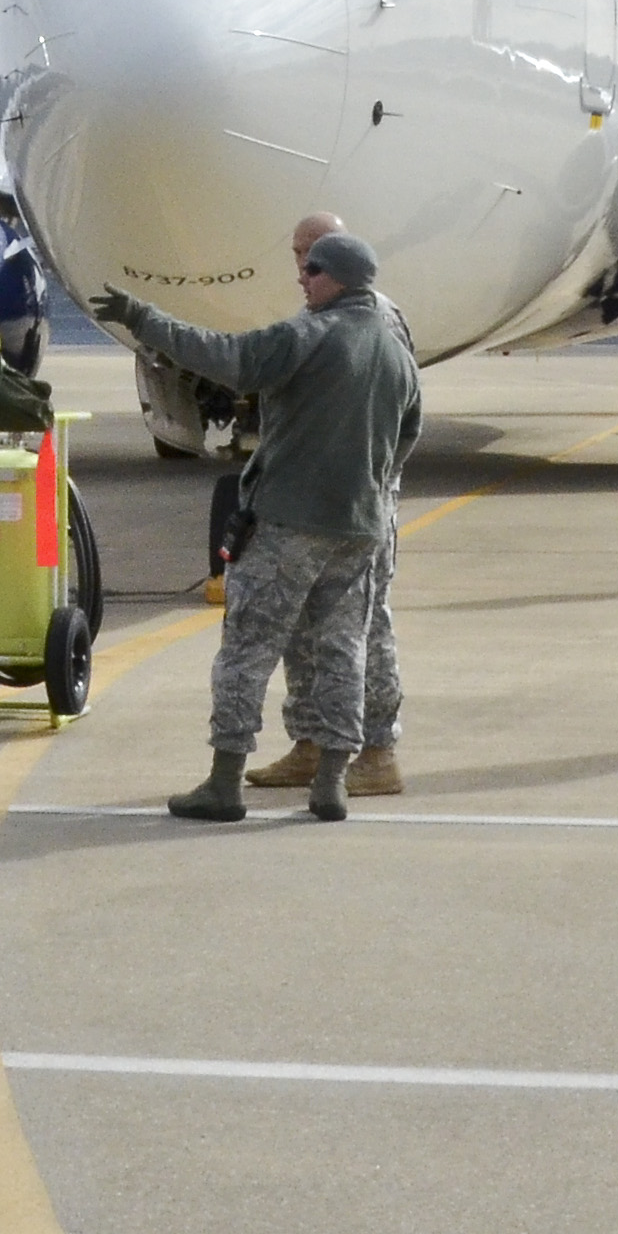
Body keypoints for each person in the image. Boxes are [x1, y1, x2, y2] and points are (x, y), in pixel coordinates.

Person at [93, 232, 423, 825]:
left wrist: (143, 317)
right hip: (361, 528)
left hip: (291, 523)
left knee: (246, 649)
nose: (302, 277)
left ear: (342, 278)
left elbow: (225, 357)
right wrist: (366, 487)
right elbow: (409, 433)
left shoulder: (309, 336)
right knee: (343, 651)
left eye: (314, 269)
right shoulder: (394, 347)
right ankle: (330, 783)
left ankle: (224, 785)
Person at [253, 209, 415, 797]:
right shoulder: (316, 316)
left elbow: (402, 413)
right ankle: (311, 741)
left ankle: (377, 750)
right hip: (314, 503)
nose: (304, 262)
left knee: (363, 627)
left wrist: (375, 484)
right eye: (298, 251)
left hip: (361, 501)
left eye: (316, 250)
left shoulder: (379, 317)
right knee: (304, 623)